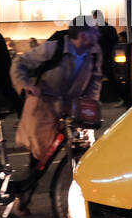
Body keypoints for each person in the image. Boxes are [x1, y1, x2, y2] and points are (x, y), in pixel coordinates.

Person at [10, 16, 104, 206]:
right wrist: (26, 85)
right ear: (83, 35)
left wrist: (90, 107)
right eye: (94, 31)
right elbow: (19, 63)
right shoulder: (54, 49)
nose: (98, 34)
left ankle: (88, 196)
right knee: (40, 156)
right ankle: (23, 197)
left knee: (83, 148)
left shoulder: (94, 53)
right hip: (44, 107)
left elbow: (95, 80)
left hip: (72, 108)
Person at [93, 9, 130, 107]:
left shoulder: (97, 29)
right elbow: (115, 43)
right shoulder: (109, 28)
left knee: (99, 80)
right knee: (113, 79)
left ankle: (98, 99)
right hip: (108, 58)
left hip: (103, 58)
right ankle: (123, 98)